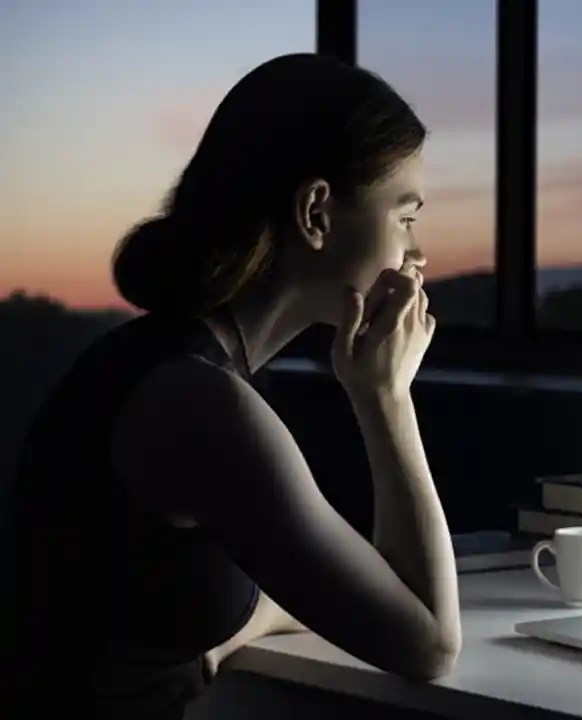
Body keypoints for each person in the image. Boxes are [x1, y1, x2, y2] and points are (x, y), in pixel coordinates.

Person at [1, 53, 462, 718]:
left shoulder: (168, 366)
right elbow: (430, 644)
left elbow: (263, 593)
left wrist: (227, 632)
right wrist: (386, 397)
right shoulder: (201, 403)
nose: (417, 254)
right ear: (316, 213)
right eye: (405, 216)